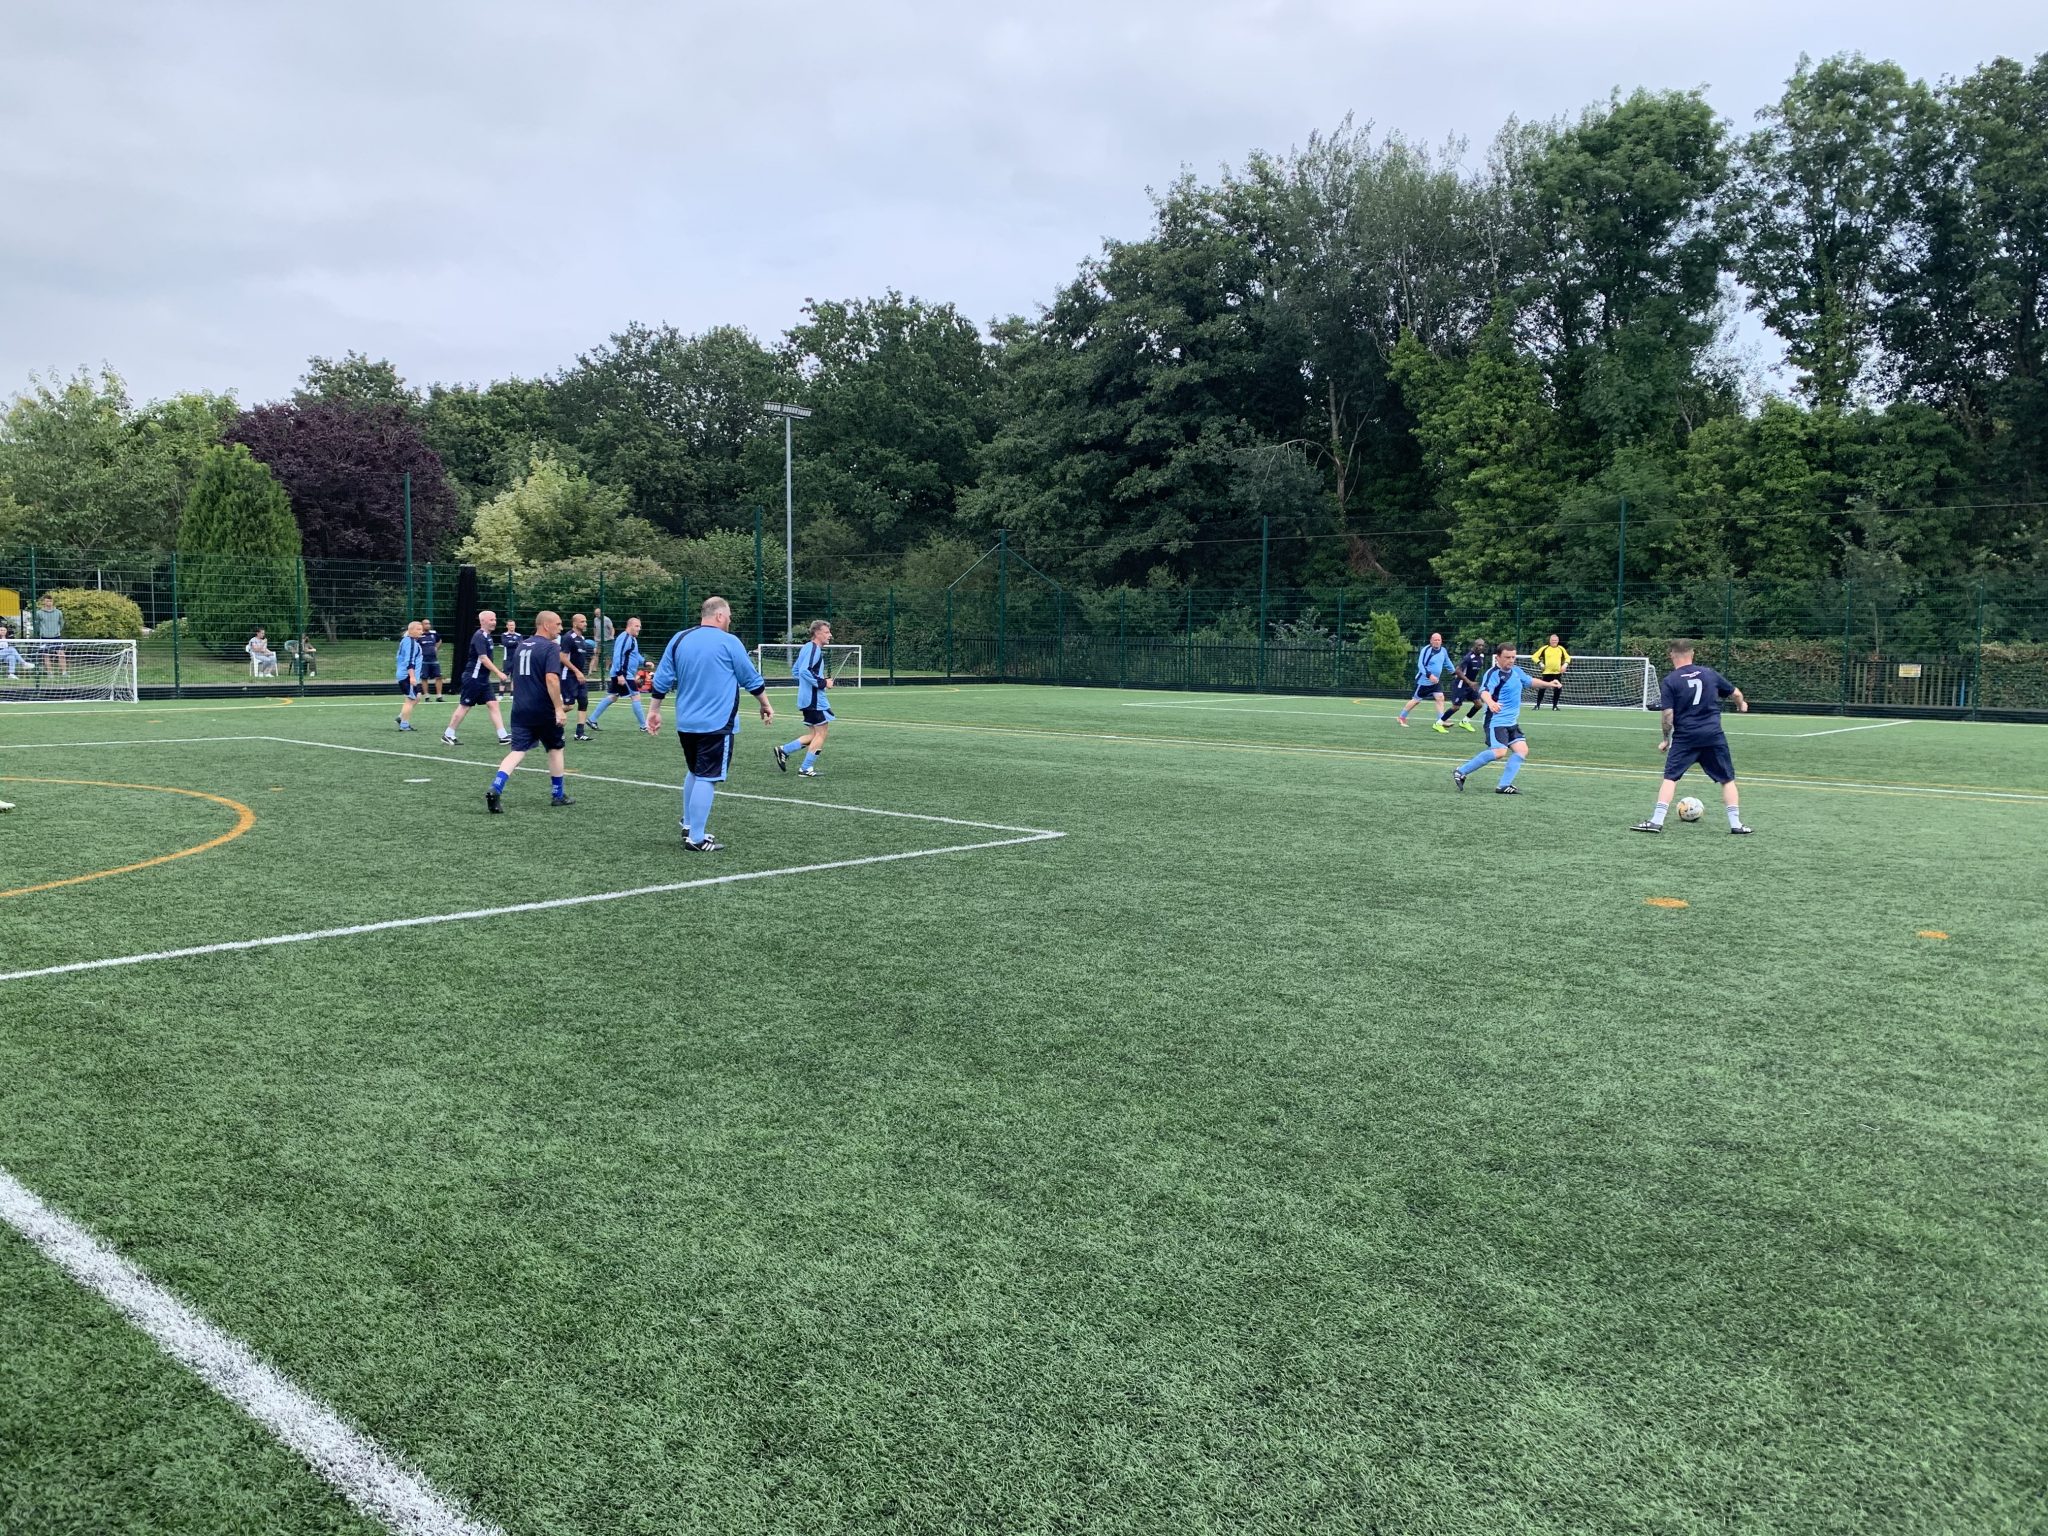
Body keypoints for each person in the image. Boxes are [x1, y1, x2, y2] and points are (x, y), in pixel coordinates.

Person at [645, 596, 773, 852]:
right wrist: (765, 703)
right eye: (729, 616)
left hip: (687, 723)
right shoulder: (729, 642)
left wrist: (654, 710)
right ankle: (697, 837)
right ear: (719, 616)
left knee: (695, 771)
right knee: (707, 776)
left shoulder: (679, 638)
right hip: (716, 724)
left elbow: (662, 678)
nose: (729, 621)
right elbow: (750, 678)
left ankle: (689, 825)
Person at [1634, 643, 1753, 835]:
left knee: (1670, 777)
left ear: (1672, 655)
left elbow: (1667, 715)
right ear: (1692, 654)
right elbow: (1736, 693)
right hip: (1713, 735)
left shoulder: (1671, 680)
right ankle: (1736, 824)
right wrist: (1742, 705)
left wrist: (1666, 739)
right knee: (1727, 779)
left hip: (1686, 737)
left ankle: (1656, 821)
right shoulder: (1709, 673)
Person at [485, 610, 574, 812]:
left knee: (517, 751)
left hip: (520, 708)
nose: (561, 629)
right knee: (555, 748)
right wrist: (559, 709)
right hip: (543, 709)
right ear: (546, 625)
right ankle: (557, 795)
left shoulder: (521, 645)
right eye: (558, 624)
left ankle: (496, 786)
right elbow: (551, 679)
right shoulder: (551, 647)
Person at [1451, 643, 1543, 794]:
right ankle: (1461, 771)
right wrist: (1491, 702)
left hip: (1511, 722)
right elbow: (1484, 691)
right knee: (1499, 752)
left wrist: (1549, 684)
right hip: (1496, 721)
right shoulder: (1493, 674)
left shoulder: (1516, 671)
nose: (1511, 660)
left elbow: (1530, 681)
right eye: (1507, 657)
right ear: (1498, 657)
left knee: (1522, 750)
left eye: (1513, 657)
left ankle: (1503, 785)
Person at [775, 619, 836, 777]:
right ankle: (805, 768)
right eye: (826, 632)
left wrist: (811, 684)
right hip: (814, 700)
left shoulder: (807, 648)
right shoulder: (814, 649)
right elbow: (803, 671)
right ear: (816, 633)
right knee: (821, 734)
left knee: (815, 735)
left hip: (807, 699)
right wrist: (823, 683)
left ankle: (784, 750)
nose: (830, 635)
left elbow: (796, 670)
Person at [444, 610, 512, 746]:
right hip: (473, 678)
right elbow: (483, 658)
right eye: (491, 620)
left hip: (483, 680)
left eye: (495, 619)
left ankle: (503, 735)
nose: (494, 622)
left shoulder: (488, 637)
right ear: (483, 621)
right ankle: (448, 734)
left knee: (493, 704)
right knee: (465, 706)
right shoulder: (479, 636)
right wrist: (499, 673)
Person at [587, 616, 648, 732]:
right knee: (635, 696)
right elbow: (617, 655)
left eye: (640, 626)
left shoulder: (632, 639)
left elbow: (635, 654)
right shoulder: (624, 638)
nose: (639, 628)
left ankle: (592, 719)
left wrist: (644, 662)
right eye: (637, 626)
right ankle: (644, 726)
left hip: (622, 673)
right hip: (624, 674)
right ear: (629, 626)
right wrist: (620, 674)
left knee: (613, 697)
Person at [1397, 632, 1451, 727]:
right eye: (1435, 640)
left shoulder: (1443, 651)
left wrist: (1455, 673)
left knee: (1440, 698)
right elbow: (1420, 665)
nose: (1437, 642)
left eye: (1439, 640)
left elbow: (1447, 662)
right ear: (1431, 641)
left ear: (1441, 641)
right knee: (1416, 700)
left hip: (1435, 681)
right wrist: (1429, 675)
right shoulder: (1426, 650)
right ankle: (1401, 717)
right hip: (1424, 681)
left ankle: (1440, 720)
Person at [1435, 637, 1487, 733]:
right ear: (1474, 646)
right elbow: (1458, 671)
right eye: (1479, 645)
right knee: (1456, 707)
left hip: (1470, 685)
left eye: (1482, 645)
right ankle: (1438, 724)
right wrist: (1469, 682)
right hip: (1461, 684)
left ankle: (1465, 721)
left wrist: (1473, 682)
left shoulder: (1482, 656)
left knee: (1479, 704)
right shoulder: (1468, 657)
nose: (1481, 647)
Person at [561, 613, 596, 740]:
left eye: (585, 621)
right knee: (569, 705)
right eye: (582, 621)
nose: (585, 624)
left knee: (583, 702)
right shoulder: (568, 637)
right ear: (575, 623)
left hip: (579, 677)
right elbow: (562, 657)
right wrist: (576, 671)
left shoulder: (582, 639)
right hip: (569, 675)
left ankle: (579, 733)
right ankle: (550, 718)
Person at [395, 621, 426, 730]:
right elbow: (410, 661)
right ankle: (404, 725)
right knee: (410, 699)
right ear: (410, 630)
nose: (421, 631)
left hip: (405, 675)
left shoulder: (406, 641)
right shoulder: (411, 643)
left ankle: (401, 717)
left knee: (417, 697)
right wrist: (412, 677)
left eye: (421, 629)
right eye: (418, 629)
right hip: (407, 676)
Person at [1530, 633, 1571, 710]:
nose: (1554, 642)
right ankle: (1537, 705)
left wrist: (1565, 665)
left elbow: (1568, 657)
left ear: (1558, 641)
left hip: (1557, 673)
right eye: (1552, 640)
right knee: (1542, 688)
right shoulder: (1545, 648)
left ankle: (1554, 706)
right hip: (1547, 672)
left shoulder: (1561, 649)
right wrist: (1540, 663)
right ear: (1550, 641)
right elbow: (1534, 656)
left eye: (1555, 640)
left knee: (1558, 689)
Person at [33, 595, 65, 676]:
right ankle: (50, 673)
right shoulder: (39, 613)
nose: (49, 603)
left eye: (50, 601)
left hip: (56, 637)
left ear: (53, 602)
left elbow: (61, 623)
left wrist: (57, 631)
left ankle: (64, 672)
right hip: (44, 637)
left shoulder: (58, 612)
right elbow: (36, 625)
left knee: (61, 654)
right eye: (47, 601)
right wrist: (41, 632)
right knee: (46, 655)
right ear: (44, 602)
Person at [419, 622, 443, 698]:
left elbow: (439, 641)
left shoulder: (434, 633)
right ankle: (426, 696)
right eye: (426, 624)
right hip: (423, 660)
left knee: (439, 676)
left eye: (429, 624)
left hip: (434, 659)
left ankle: (439, 696)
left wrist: (436, 648)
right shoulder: (419, 635)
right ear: (422, 625)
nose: (428, 625)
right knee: (424, 677)